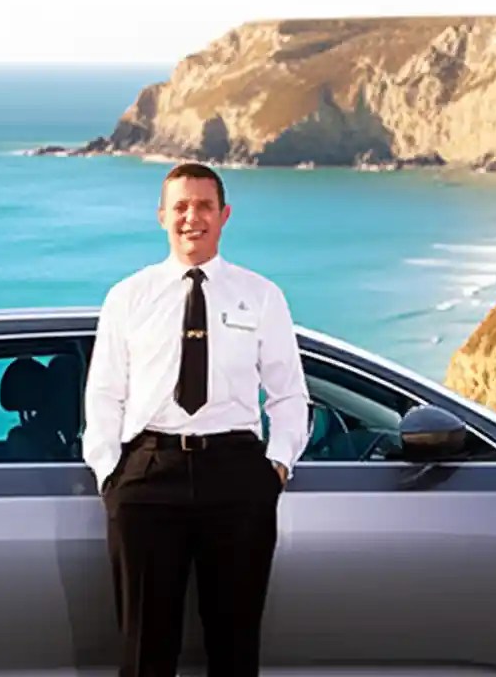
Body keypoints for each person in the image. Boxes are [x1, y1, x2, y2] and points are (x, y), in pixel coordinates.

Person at [82, 162, 310, 676]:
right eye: (180, 206)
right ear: (161, 216)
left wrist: (275, 466)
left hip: (236, 476)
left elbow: (289, 393)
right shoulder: (128, 297)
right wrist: (110, 474)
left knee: (234, 646)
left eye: (205, 206)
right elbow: (103, 393)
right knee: (145, 651)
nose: (192, 217)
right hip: (147, 475)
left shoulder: (262, 295)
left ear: (224, 215)